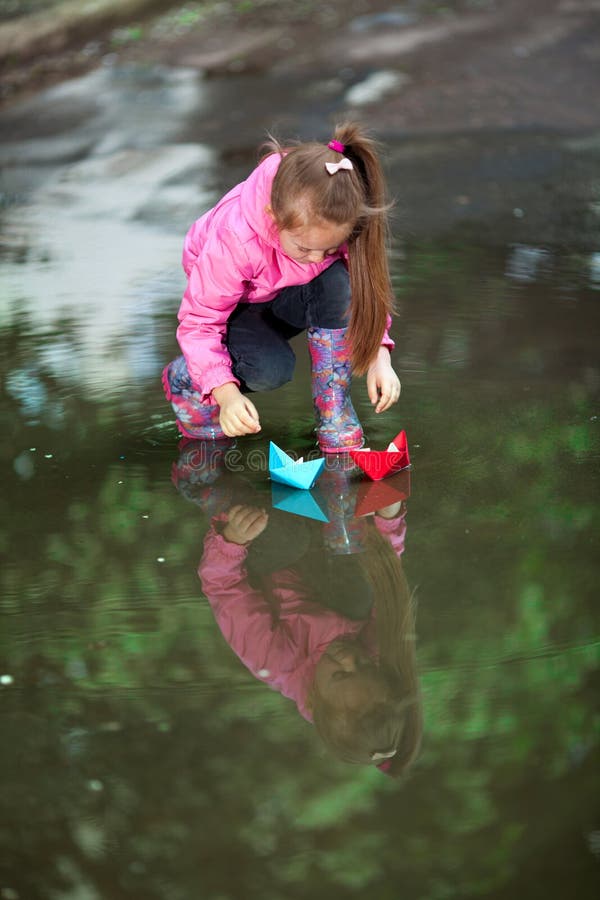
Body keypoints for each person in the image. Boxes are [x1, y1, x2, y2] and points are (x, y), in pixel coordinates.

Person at [162, 122, 401, 451]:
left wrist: (379, 357)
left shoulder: (333, 218)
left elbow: (366, 289)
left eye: (329, 249)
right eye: (305, 249)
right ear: (272, 216)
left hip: (282, 292)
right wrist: (226, 394)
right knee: (270, 370)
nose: (316, 259)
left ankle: (333, 413)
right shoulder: (235, 240)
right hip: (237, 308)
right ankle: (187, 377)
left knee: (337, 281)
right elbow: (200, 322)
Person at [197, 484, 422, 777]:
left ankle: (228, 482)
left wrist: (232, 541)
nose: (349, 657)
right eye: (364, 665)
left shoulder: (277, 663)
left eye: (340, 674)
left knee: (292, 540)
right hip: (323, 537)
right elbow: (385, 574)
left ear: (316, 699)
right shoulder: (377, 649)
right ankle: (329, 481)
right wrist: (388, 514)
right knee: (358, 599)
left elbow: (224, 589)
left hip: (265, 538)